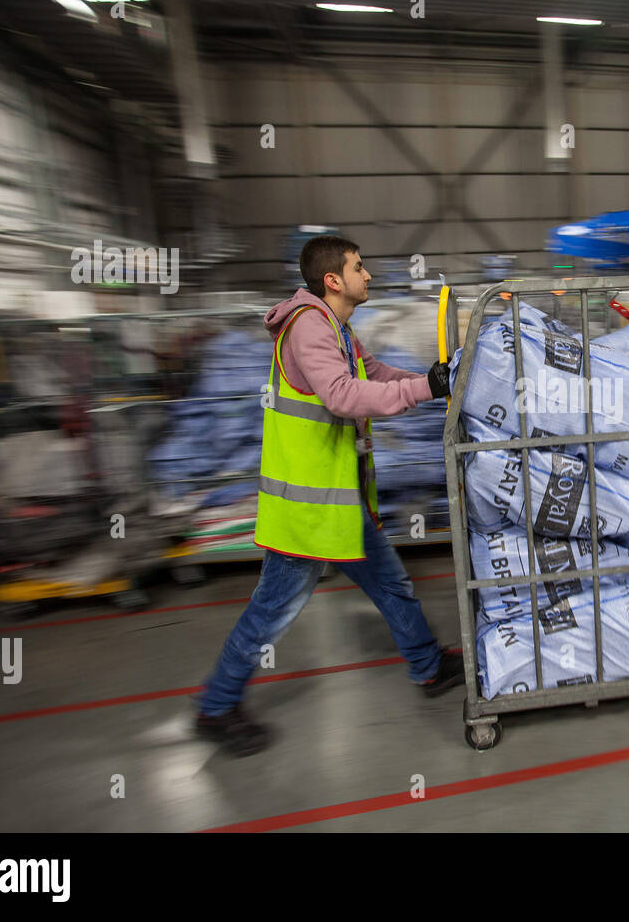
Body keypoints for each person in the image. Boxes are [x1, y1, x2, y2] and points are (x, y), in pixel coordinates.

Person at [194, 235, 459, 757]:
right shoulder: (309, 326)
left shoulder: (336, 326)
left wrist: (433, 381)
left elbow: (372, 373)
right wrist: (424, 389)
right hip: (307, 511)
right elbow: (340, 396)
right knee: (272, 611)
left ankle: (428, 665)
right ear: (333, 280)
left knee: (391, 584)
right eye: (359, 267)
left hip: (337, 502)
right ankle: (217, 706)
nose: (369, 275)